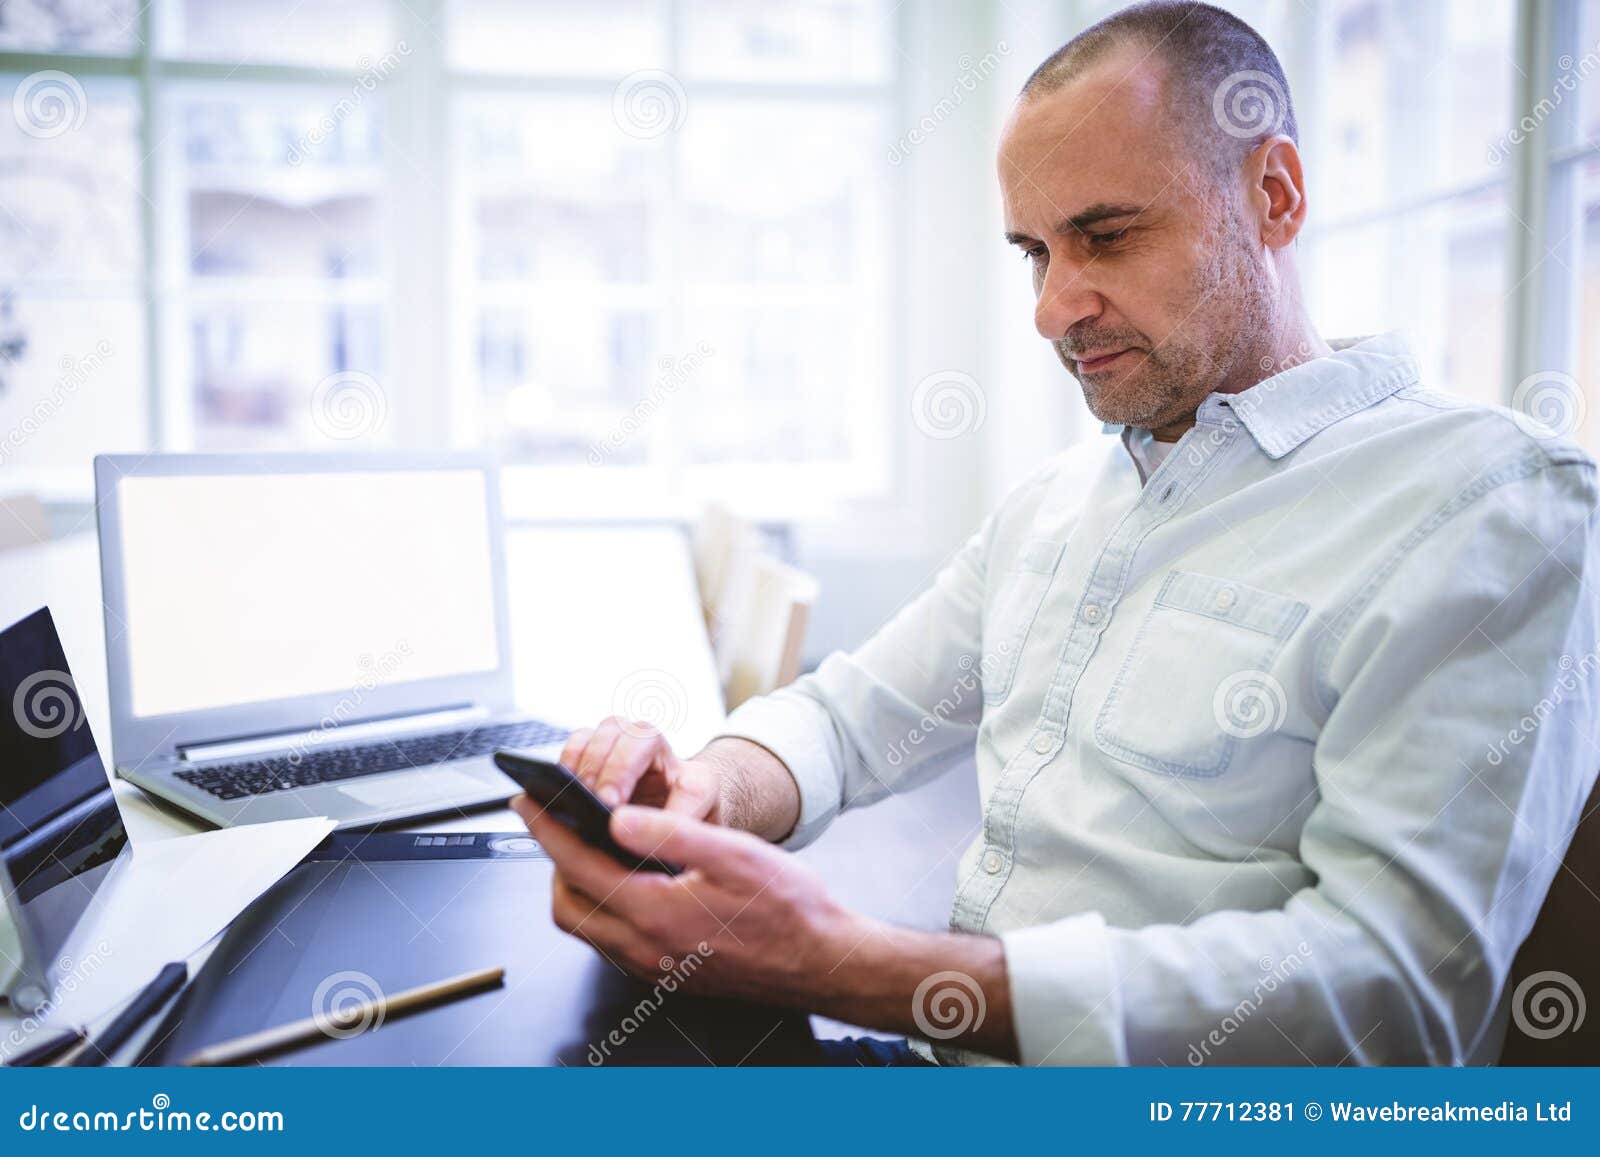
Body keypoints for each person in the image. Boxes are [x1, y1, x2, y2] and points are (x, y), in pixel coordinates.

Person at [514, 1, 1600, 1066]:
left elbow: (1391, 999)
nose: (1050, 307)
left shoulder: (1493, 503)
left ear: (1272, 195)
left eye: (1106, 236)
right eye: (1035, 251)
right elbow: (851, 718)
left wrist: (847, 965)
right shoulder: (1061, 498)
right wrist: (707, 787)